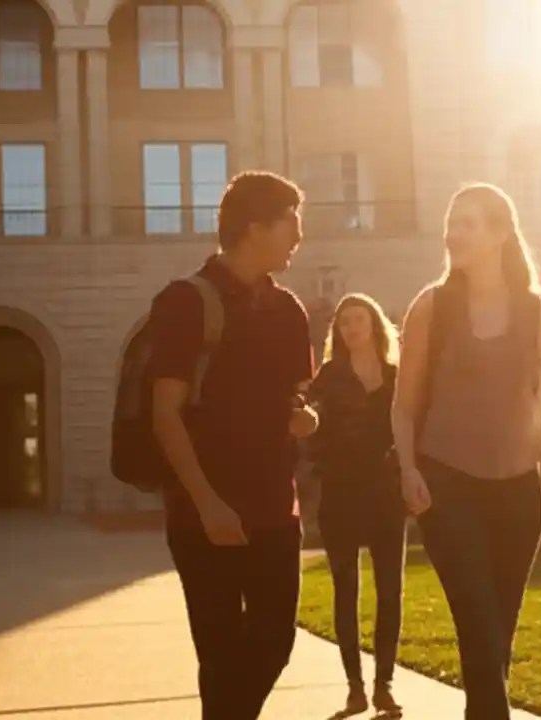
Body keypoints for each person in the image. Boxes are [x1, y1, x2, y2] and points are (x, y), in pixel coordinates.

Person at [391, 183, 541, 720]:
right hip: (448, 485)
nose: (453, 233)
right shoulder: (433, 307)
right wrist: (407, 470)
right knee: (477, 621)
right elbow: (404, 405)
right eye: (451, 222)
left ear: (500, 234)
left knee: (497, 637)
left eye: (468, 223)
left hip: (518, 493)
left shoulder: (539, 314)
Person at [149, 171, 318, 720]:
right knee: (220, 657)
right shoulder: (184, 302)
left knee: (275, 644)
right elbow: (165, 414)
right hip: (204, 513)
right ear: (254, 228)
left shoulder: (289, 311)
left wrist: (302, 419)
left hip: (273, 508)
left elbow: (292, 400)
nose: (298, 236)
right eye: (291, 223)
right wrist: (206, 502)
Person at [307, 294, 407, 715]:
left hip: (386, 493)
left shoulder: (396, 375)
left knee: (390, 591)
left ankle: (384, 684)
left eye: (359, 319)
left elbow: (411, 427)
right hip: (341, 492)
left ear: (375, 324)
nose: (351, 327)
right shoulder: (329, 376)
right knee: (345, 588)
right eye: (344, 322)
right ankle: (354, 686)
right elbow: (308, 419)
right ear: (339, 331)